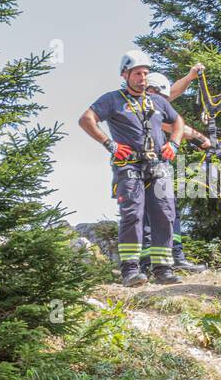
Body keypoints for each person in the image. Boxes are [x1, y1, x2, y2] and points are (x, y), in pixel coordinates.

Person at [79, 49, 184, 286]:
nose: (143, 78)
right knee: (133, 215)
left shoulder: (157, 101)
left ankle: (163, 269)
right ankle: (130, 270)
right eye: (137, 73)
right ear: (125, 74)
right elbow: (86, 119)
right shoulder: (112, 99)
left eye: (146, 73)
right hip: (128, 167)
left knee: (165, 214)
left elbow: (178, 121)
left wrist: (174, 144)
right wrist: (110, 144)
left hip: (158, 165)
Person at [140, 69, 208, 274]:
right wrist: (202, 140)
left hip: (158, 167)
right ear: (150, 90)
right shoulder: (144, 108)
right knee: (146, 214)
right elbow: (173, 127)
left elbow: (172, 92)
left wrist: (189, 77)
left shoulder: (153, 99)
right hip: (142, 166)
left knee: (170, 210)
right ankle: (146, 264)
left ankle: (174, 256)